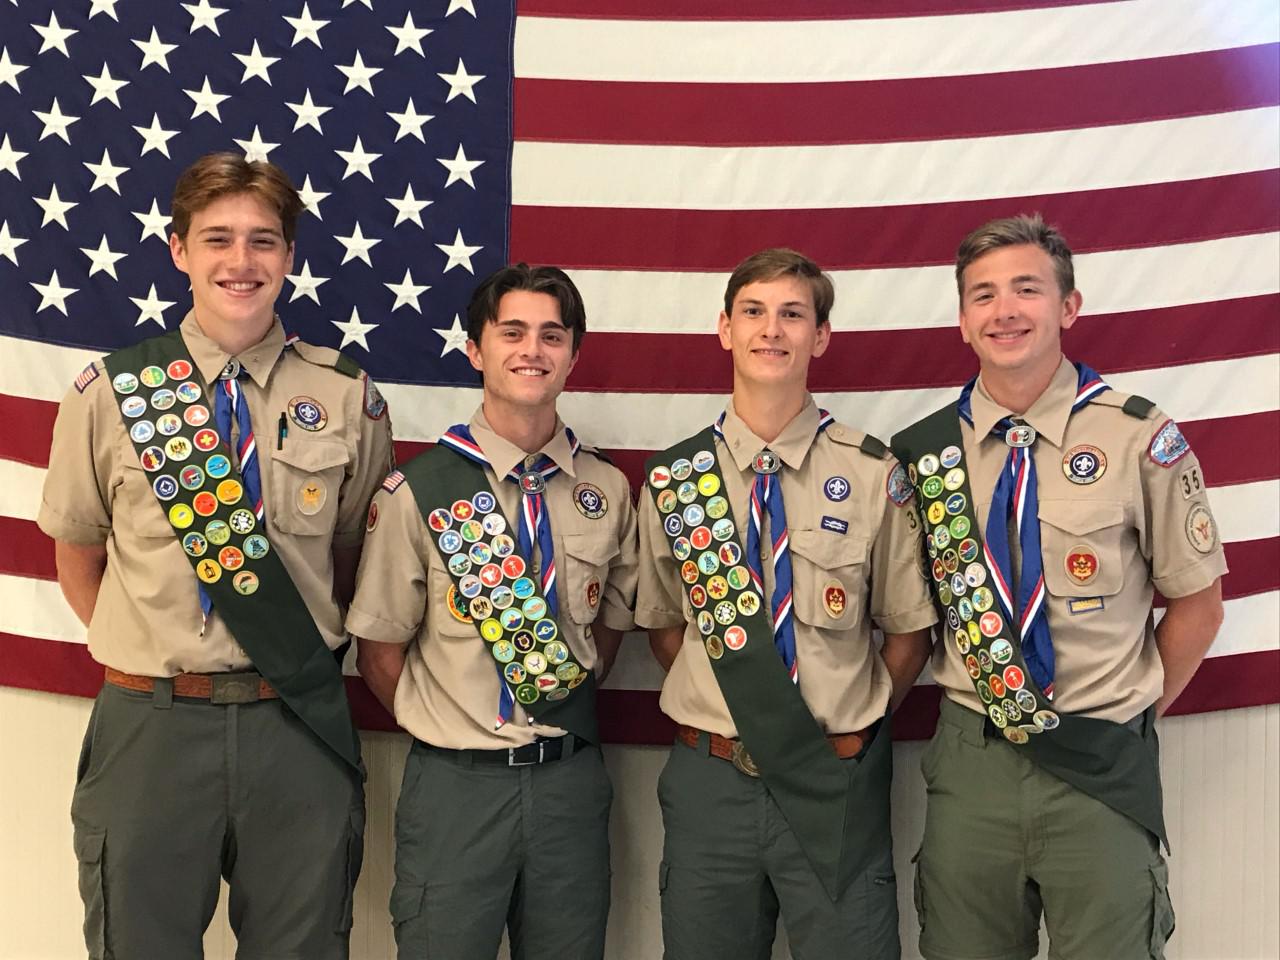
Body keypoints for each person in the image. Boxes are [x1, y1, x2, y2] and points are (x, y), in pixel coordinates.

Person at [38, 153, 394, 959]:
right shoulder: (114, 394)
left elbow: (345, 562)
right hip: (152, 724)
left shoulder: (346, 396)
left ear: (290, 256)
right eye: (218, 239)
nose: (242, 263)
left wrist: (276, 650)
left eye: (263, 241)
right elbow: (77, 556)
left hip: (293, 719)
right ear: (179, 251)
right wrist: (161, 652)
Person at [891, 214, 1227, 960]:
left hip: (1101, 762)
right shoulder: (922, 456)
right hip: (974, 764)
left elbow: (1199, 607)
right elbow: (909, 620)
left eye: (1026, 289)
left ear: (1068, 308)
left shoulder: (1139, 437)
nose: (1004, 310)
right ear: (962, 320)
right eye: (983, 294)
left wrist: (1124, 714)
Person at [635, 248, 936, 959]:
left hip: (834, 779)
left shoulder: (872, 474)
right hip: (712, 783)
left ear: (820, 336)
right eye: (754, 312)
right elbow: (666, 629)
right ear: (725, 329)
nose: (773, 330)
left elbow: (907, 635)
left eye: (793, 314)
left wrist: (845, 733)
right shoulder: (678, 481)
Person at [348, 263, 638, 960]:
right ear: (476, 350)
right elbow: (380, 653)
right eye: (511, 332)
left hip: (568, 781)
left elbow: (607, 632)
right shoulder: (419, 492)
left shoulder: (606, 489)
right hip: (457, 787)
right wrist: (457, 722)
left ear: (573, 353)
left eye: (550, 334)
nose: (531, 350)